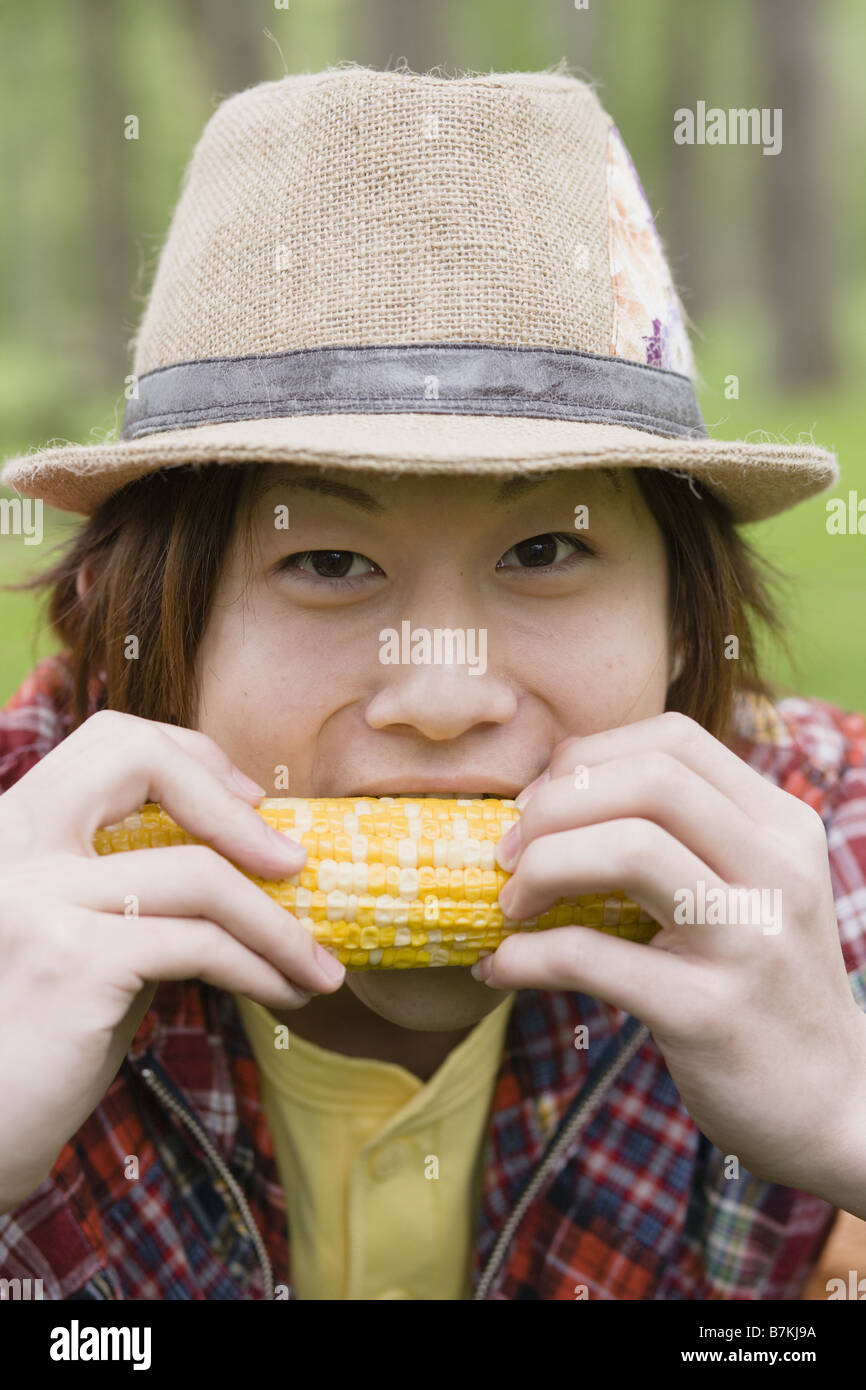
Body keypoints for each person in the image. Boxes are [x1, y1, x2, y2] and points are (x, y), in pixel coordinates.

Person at [0, 64, 864, 1302]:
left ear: (683, 623)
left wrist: (848, 1122)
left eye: (546, 549)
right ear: (140, 629)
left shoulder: (832, 858)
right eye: (328, 561)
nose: (445, 696)